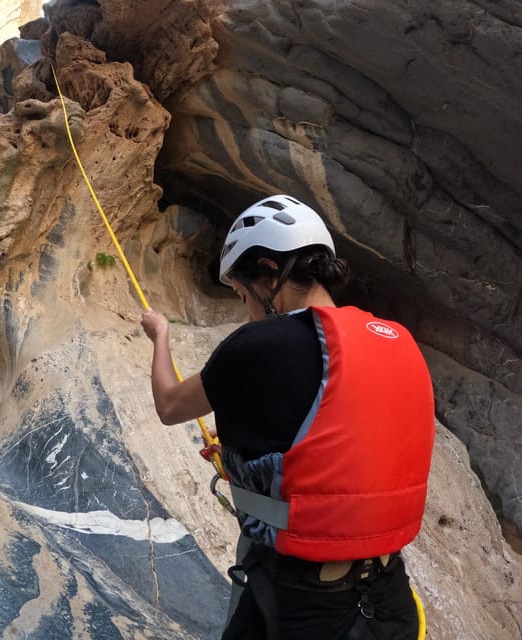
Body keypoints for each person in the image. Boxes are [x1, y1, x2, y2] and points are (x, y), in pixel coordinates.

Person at [141, 194, 435, 640]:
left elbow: (169, 405)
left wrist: (160, 335)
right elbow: (342, 438)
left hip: (301, 607)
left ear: (269, 272)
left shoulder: (257, 344)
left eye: (243, 295)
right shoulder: (395, 340)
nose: (248, 312)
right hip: (390, 603)